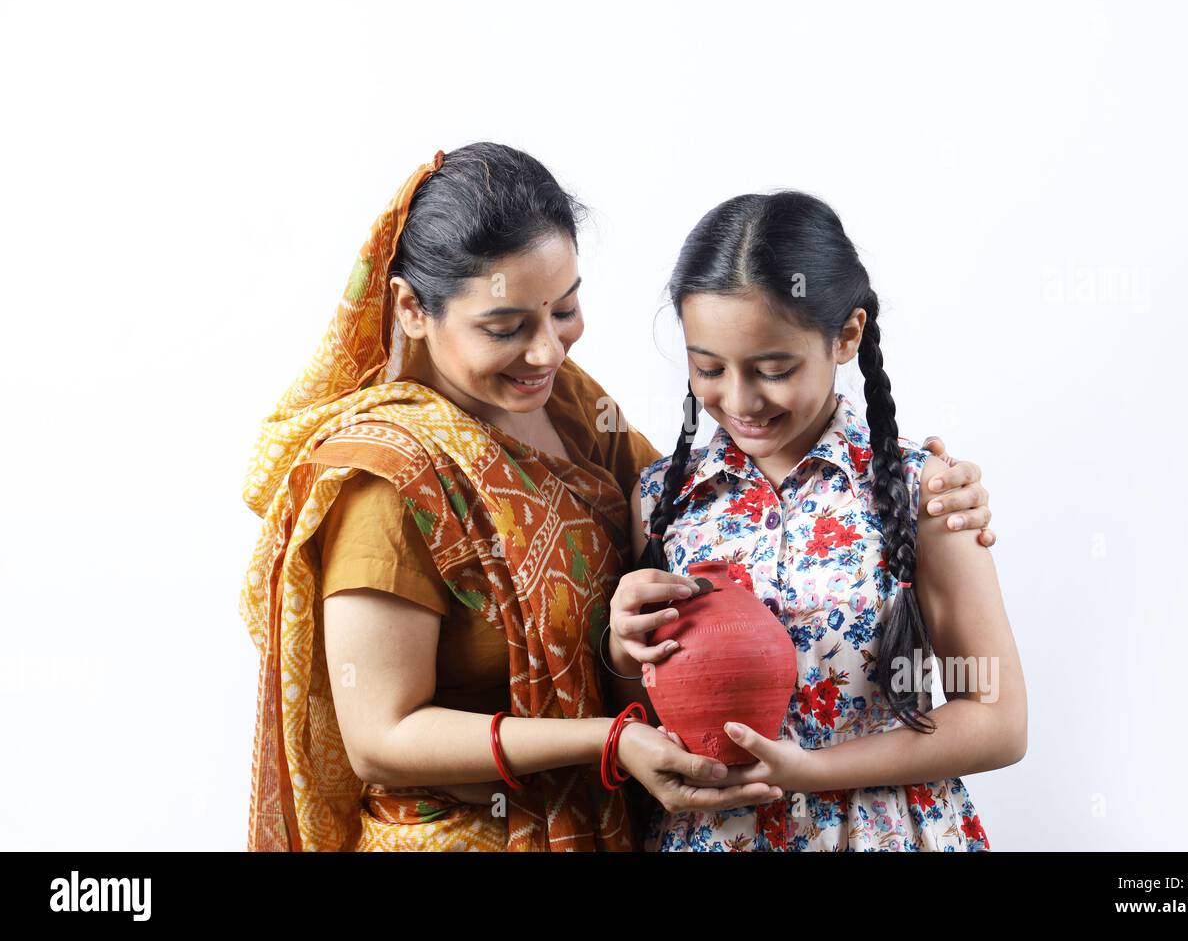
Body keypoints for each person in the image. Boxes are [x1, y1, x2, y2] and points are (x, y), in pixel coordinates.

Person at [238, 143, 1000, 851]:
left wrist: (916, 491)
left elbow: (684, 543)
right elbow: (380, 738)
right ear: (411, 309)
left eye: (563, 309)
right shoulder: (387, 476)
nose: (545, 351)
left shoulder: (572, 410)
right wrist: (611, 733)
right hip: (465, 832)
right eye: (505, 326)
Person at [607, 190, 1026, 851]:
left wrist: (813, 771)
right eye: (708, 369)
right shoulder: (662, 499)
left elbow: (998, 719)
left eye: (774, 369)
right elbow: (641, 698)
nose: (740, 401)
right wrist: (620, 642)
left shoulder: (928, 492)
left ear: (846, 336)